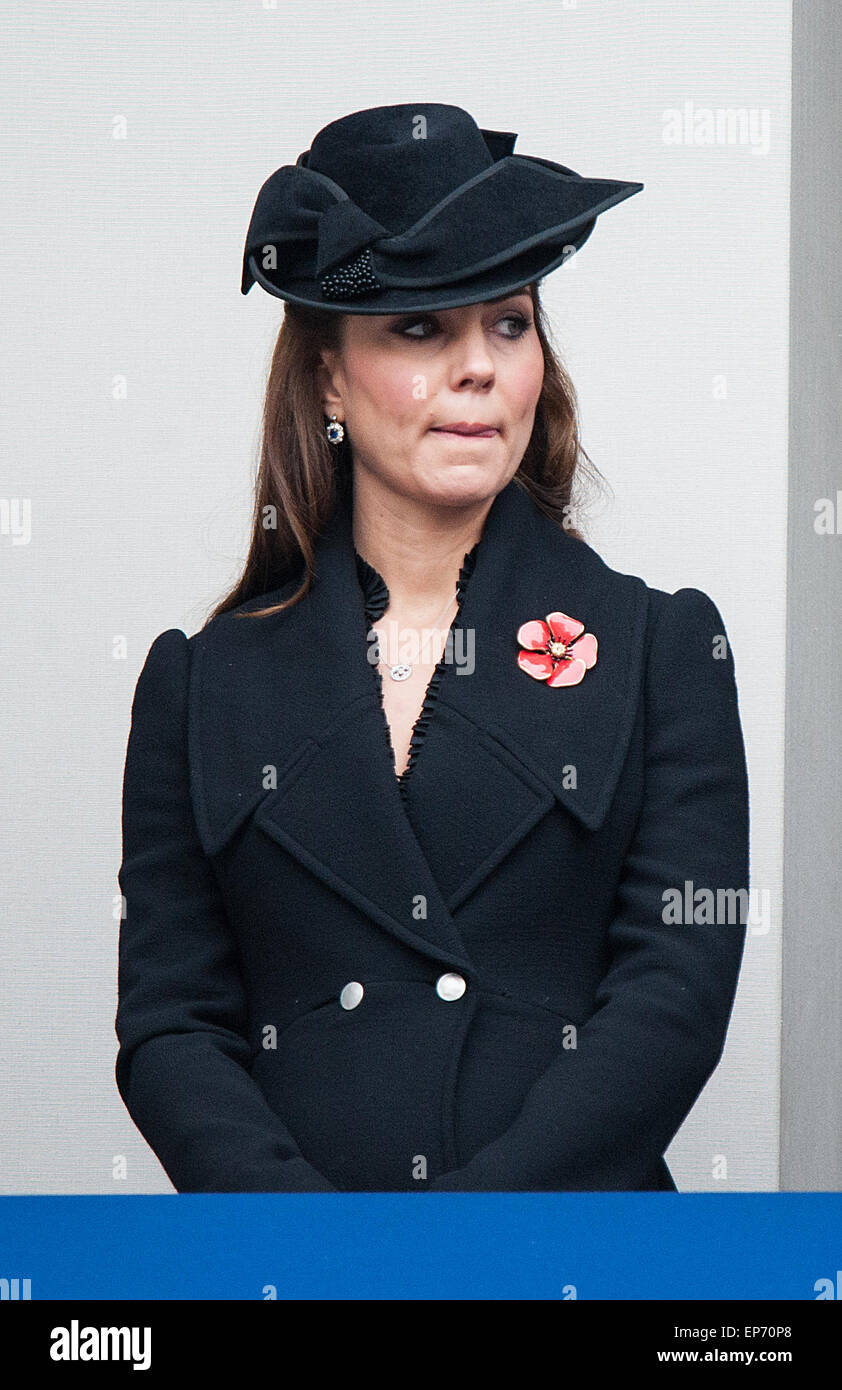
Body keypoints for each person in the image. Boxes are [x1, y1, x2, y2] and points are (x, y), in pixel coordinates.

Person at [115, 103, 750, 1192]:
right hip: (299, 1282)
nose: (479, 368)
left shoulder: (660, 647)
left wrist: (457, 1249)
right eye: (420, 328)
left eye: (507, 322)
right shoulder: (200, 681)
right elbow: (174, 1026)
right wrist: (324, 1260)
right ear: (325, 379)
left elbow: (671, 1001)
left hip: (565, 1270)